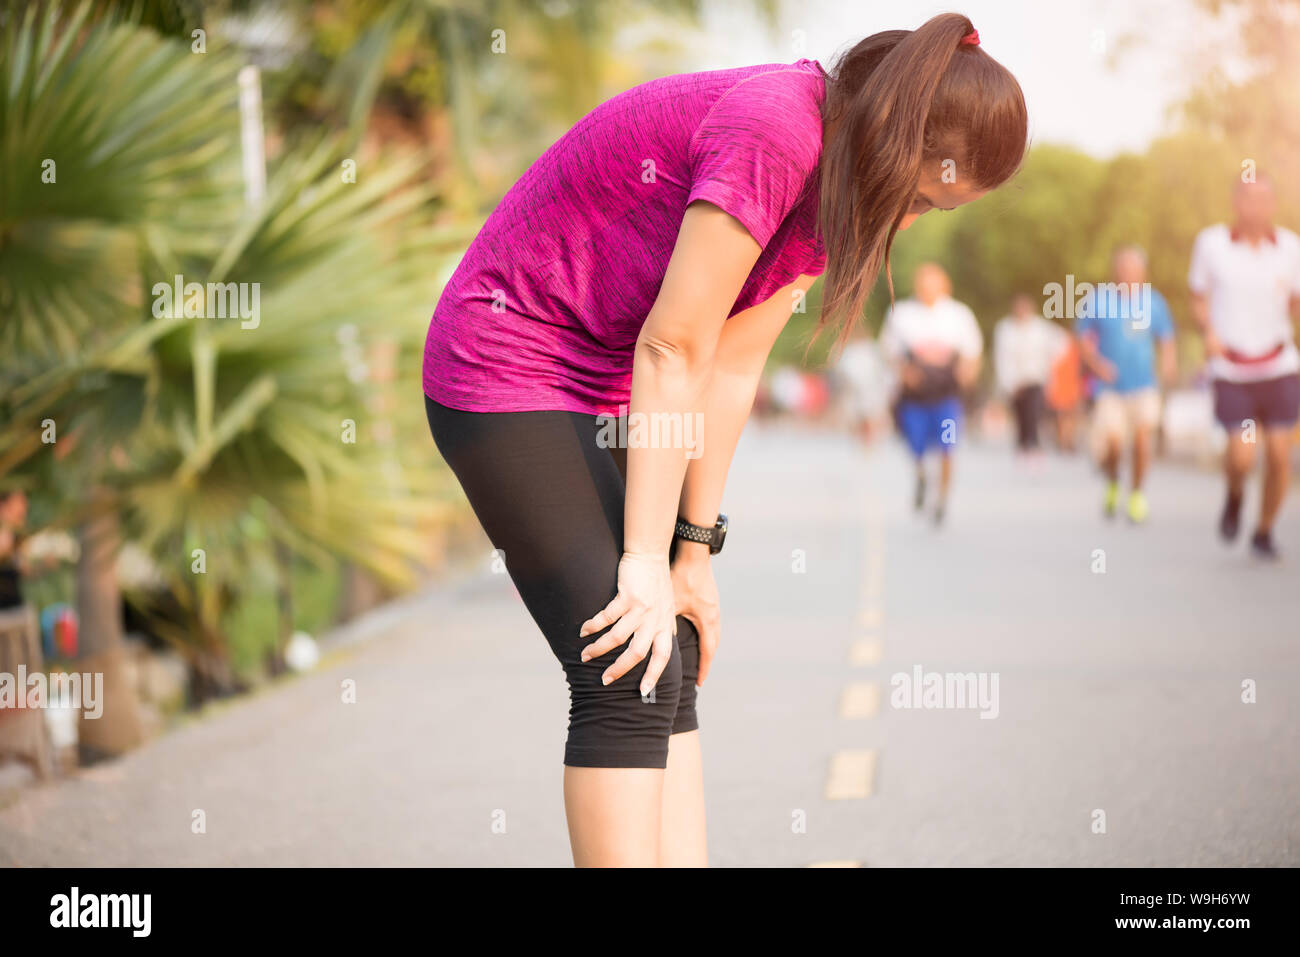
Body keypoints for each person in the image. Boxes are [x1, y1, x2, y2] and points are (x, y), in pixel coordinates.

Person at [420, 14, 1026, 866]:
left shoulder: (838, 185)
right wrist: (639, 559)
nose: (917, 221)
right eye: (924, 198)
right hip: (507, 354)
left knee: (676, 640)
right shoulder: (778, 133)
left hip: (609, 378)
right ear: (899, 136)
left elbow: (732, 368)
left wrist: (691, 555)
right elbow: (673, 348)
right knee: (623, 660)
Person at [1189, 175, 1300, 560]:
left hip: (1279, 363)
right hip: (1232, 366)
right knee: (1242, 456)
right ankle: (1235, 495)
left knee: (1280, 454)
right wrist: (1208, 331)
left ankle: (1264, 530)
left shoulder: (1290, 247)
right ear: (1236, 202)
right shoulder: (1212, 244)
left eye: (1265, 198)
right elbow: (1198, 296)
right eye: (1250, 198)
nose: (1257, 206)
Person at [1076, 246, 1177, 523]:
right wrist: (1099, 366)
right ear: (1115, 271)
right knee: (1114, 445)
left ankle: (1136, 494)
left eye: (1133, 269)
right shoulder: (1097, 301)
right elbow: (1083, 343)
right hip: (1110, 388)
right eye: (1123, 268)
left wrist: (1168, 365)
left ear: (1142, 272)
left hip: (1144, 384)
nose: (1128, 274)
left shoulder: (1154, 303)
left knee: (1143, 438)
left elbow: (1166, 339)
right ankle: (1112, 482)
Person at [880, 262, 983, 523]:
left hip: (946, 397)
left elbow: (973, 353)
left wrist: (967, 373)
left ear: (944, 285)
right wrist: (905, 373)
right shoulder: (901, 313)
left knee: (948, 446)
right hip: (914, 398)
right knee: (916, 446)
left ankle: (942, 498)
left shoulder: (959, 315)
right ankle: (921, 476)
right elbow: (889, 352)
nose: (927, 288)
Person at [994, 293, 1067, 457]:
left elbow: (1061, 342)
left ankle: (1033, 444)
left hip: (1035, 377)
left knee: (1033, 412)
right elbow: (1002, 358)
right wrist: (1008, 383)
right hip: (1015, 381)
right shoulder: (1005, 329)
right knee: (1021, 414)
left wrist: (1049, 362)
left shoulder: (1041, 327)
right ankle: (1023, 445)